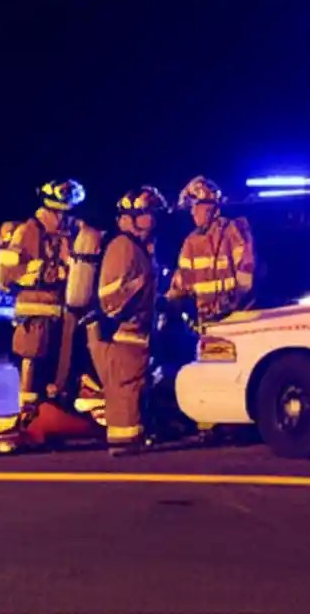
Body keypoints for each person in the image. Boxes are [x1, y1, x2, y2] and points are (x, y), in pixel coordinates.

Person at [0, 179, 102, 438]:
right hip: (34, 309)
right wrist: (46, 270)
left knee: (63, 364)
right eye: (58, 212)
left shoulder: (74, 231)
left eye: (67, 211)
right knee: (32, 360)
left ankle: (55, 411)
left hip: (65, 311)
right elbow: (7, 275)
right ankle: (27, 413)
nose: (63, 218)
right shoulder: (26, 231)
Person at [87, 186, 168, 455]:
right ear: (131, 217)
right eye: (146, 215)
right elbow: (109, 299)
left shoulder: (140, 248)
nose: (152, 221)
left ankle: (130, 439)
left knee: (132, 391)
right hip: (121, 337)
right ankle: (124, 443)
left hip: (133, 336)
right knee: (125, 391)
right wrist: (141, 284)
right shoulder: (123, 247)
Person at [167, 175, 257, 324]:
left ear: (211, 208)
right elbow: (182, 283)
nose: (192, 212)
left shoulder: (233, 233)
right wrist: (168, 301)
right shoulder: (191, 243)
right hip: (206, 322)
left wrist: (230, 303)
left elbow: (246, 274)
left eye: (196, 206)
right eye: (191, 207)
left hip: (238, 319)